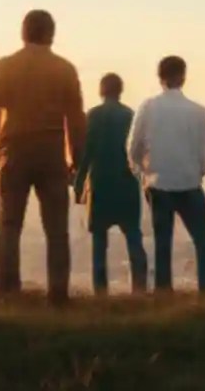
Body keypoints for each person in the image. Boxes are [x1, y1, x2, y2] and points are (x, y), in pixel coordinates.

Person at [0, 10, 86, 304]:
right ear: (51, 34)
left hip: (12, 151)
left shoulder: (6, 66)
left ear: (23, 33)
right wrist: (78, 162)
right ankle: (58, 295)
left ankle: (6, 291)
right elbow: (75, 120)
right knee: (57, 229)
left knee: (9, 224)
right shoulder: (65, 69)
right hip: (50, 151)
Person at [130, 56, 205, 294]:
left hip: (158, 184)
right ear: (184, 77)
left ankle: (163, 291)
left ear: (160, 78)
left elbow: (134, 147)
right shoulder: (199, 111)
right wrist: (198, 170)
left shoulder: (148, 108)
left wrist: (143, 172)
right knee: (202, 242)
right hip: (189, 183)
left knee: (162, 243)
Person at [74, 74, 147, 295]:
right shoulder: (131, 116)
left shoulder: (93, 116)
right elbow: (141, 151)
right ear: (120, 90)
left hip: (100, 185)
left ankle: (100, 291)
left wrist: (79, 185)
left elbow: (86, 154)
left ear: (101, 90)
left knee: (99, 242)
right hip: (127, 184)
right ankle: (140, 288)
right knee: (133, 237)